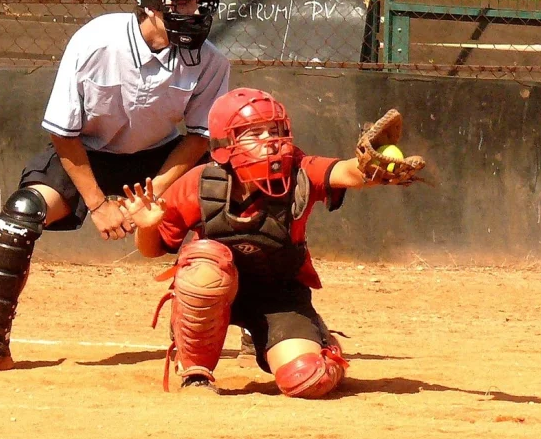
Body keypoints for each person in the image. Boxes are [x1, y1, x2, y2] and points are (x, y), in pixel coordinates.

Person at [0, 0, 230, 373]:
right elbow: (63, 133)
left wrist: (153, 192)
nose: (197, 14)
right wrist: (99, 205)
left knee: (219, 204)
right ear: (150, 6)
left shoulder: (209, 61)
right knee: (20, 215)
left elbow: (198, 137)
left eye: (202, 4)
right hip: (86, 153)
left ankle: (206, 339)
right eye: (184, 3)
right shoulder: (96, 42)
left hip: (160, 155)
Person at [117, 87, 410, 398]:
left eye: (276, 131)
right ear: (226, 145)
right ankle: (196, 373)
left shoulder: (299, 170)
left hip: (278, 294)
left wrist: (369, 169)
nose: (271, 142)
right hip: (218, 290)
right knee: (203, 267)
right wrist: (146, 227)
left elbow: (343, 171)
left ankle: (325, 348)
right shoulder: (202, 182)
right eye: (254, 133)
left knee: (307, 380)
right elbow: (152, 249)